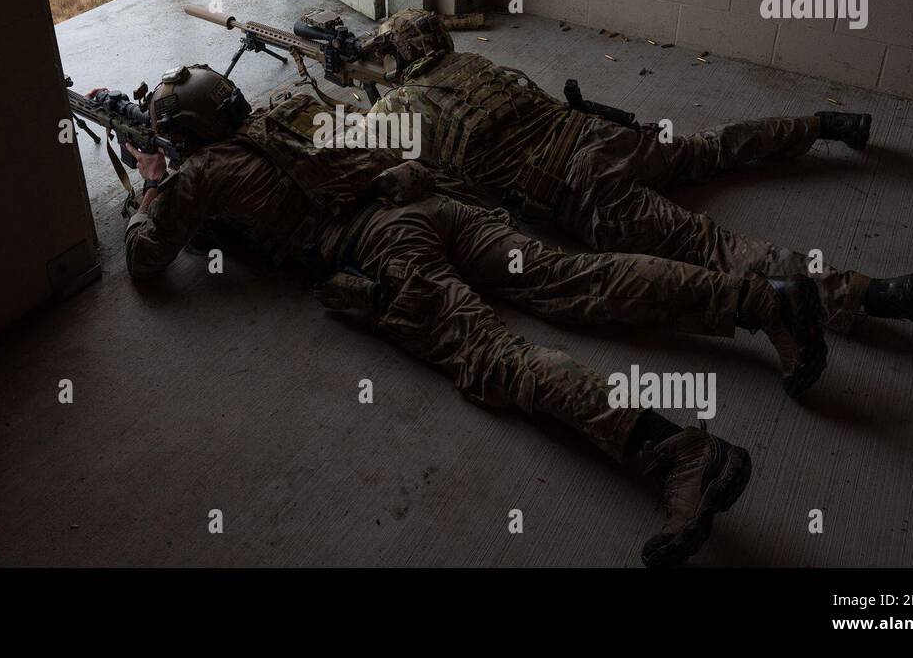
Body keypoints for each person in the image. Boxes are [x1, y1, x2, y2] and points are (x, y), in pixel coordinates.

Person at [121, 63, 828, 566]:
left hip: (378, 246)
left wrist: (153, 190)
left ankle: (680, 452)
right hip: (428, 197)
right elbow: (372, 136)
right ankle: (760, 302)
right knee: (569, 275)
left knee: (497, 359)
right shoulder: (288, 104)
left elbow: (147, 261)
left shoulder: (200, 176)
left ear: (183, 137)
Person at [363, 9, 913, 343]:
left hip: (583, 188)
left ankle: (873, 294)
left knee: (713, 247)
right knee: (710, 148)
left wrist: (367, 92)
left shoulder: (398, 110)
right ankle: (821, 123)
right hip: (608, 138)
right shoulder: (472, 60)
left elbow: (374, 158)